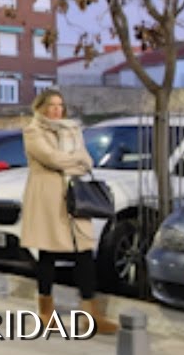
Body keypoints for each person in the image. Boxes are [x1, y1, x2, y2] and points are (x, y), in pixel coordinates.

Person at [21, 89, 118, 335]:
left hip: (74, 196)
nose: (56, 110)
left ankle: (90, 315)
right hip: (48, 197)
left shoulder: (73, 129)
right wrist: (75, 159)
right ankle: (46, 312)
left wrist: (76, 160)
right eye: (51, 105)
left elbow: (88, 160)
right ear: (41, 107)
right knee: (48, 253)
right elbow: (51, 158)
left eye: (60, 105)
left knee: (84, 252)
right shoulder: (33, 131)